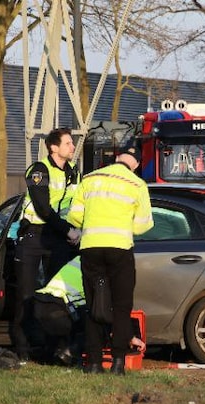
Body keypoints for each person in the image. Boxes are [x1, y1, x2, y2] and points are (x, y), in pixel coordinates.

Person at [66, 144, 153, 375]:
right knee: (122, 307)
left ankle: (93, 363)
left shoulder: (90, 179)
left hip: (91, 248)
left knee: (94, 304)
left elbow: (74, 214)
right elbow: (144, 224)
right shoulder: (137, 184)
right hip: (120, 249)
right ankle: (117, 363)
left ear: (116, 158)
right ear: (135, 165)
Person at [10, 128, 81, 362]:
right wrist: (69, 230)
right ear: (54, 148)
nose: (73, 147)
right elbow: (42, 208)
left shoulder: (73, 173)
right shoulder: (39, 170)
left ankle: (54, 350)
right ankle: (23, 349)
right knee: (26, 294)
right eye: (69, 143)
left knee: (56, 295)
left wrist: (76, 230)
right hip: (34, 236)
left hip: (58, 239)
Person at [32, 255, 85, 366]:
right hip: (59, 311)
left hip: (40, 305)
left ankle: (52, 354)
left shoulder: (79, 258)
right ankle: (70, 352)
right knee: (95, 322)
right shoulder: (100, 267)